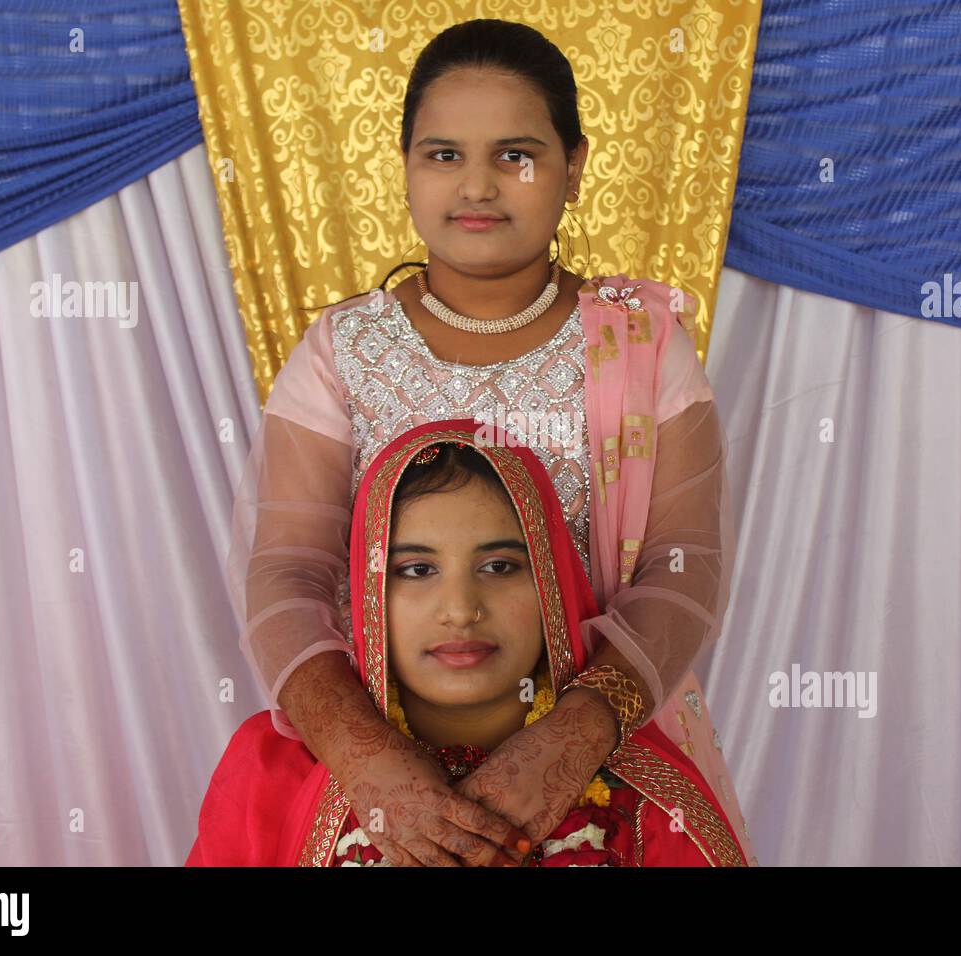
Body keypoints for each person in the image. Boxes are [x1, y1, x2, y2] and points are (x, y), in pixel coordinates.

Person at [229, 18, 753, 866]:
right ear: (403, 166)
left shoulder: (640, 343)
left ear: (573, 167)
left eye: (515, 154)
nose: (477, 186)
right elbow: (288, 571)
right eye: (443, 155)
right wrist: (370, 763)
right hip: (380, 784)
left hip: (602, 769)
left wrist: (572, 739)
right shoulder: (344, 351)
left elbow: (683, 566)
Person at [191, 420, 752, 866]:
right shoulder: (271, 772)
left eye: (501, 565)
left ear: (554, 585)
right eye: (414, 570)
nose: (461, 608)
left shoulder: (648, 795)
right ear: (365, 593)